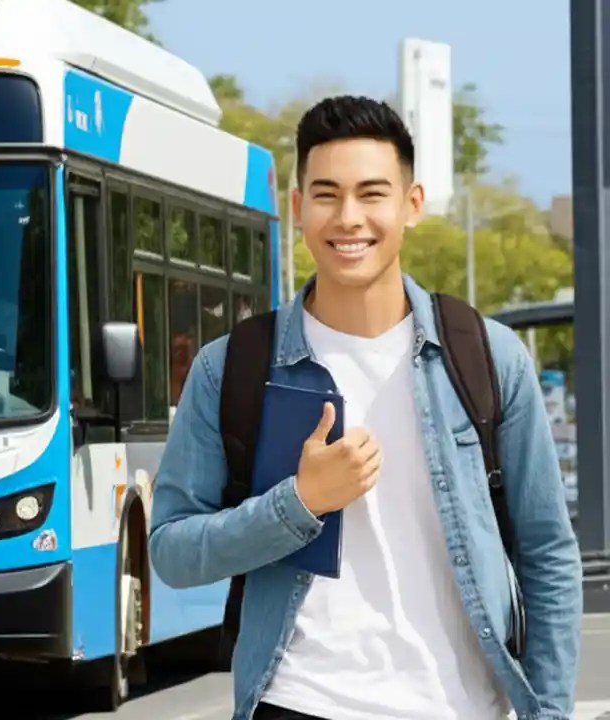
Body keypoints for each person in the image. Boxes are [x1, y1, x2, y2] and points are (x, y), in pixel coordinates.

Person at [148, 95, 582, 719]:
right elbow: (171, 551)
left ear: (412, 205)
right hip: (299, 700)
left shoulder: (487, 358)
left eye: (372, 193)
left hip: (459, 706)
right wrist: (297, 504)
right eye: (326, 195)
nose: (348, 218)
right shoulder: (232, 367)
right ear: (297, 209)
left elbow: (547, 554)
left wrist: (550, 713)